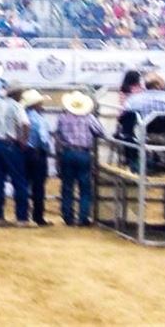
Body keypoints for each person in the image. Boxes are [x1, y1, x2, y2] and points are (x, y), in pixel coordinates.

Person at [0, 89, 36, 226]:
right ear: (16, 94)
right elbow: (26, 124)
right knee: (19, 180)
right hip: (10, 144)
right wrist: (23, 140)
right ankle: (21, 218)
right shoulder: (16, 106)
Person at [53, 91, 105, 227]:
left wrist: (58, 156)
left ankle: (68, 216)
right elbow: (100, 132)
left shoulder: (62, 118)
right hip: (83, 153)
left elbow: (57, 137)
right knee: (85, 187)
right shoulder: (89, 118)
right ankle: (83, 217)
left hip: (67, 153)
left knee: (67, 186)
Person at [22, 89, 54, 226]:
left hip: (24, 152)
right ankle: (38, 216)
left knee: (24, 184)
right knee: (38, 186)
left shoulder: (22, 116)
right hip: (37, 153)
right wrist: (47, 150)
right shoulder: (40, 119)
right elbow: (43, 139)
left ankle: (23, 214)